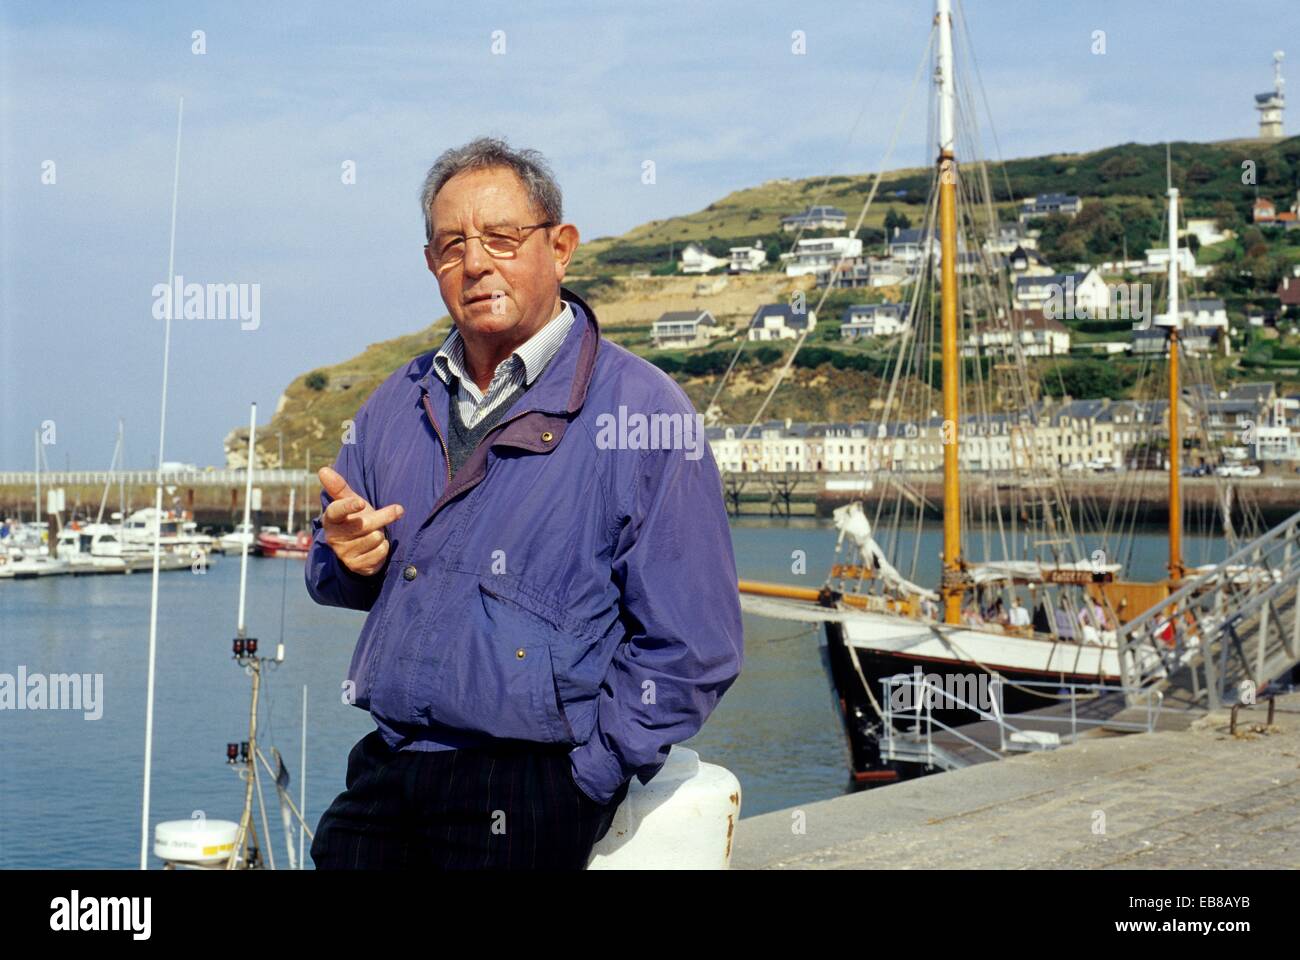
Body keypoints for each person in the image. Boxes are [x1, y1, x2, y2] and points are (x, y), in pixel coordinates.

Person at [305, 137, 744, 870]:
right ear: (431, 265)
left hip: (534, 782)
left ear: (561, 247)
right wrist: (345, 556)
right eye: (452, 245)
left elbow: (694, 645)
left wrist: (591, 773)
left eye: (502, 239)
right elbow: (332, 570)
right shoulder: (395, 401)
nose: (475, 262)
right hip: (389, 763)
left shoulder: (643, 410)